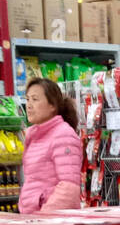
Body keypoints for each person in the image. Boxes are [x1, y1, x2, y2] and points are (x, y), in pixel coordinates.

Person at [19, 78, 83, 214]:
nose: (29, 105)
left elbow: (69, 188)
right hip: (34, 221)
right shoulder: (33, 135)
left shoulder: (64, 135)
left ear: (52, 105)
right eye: (27, 99)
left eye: (35, 99)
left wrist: (44, 217)